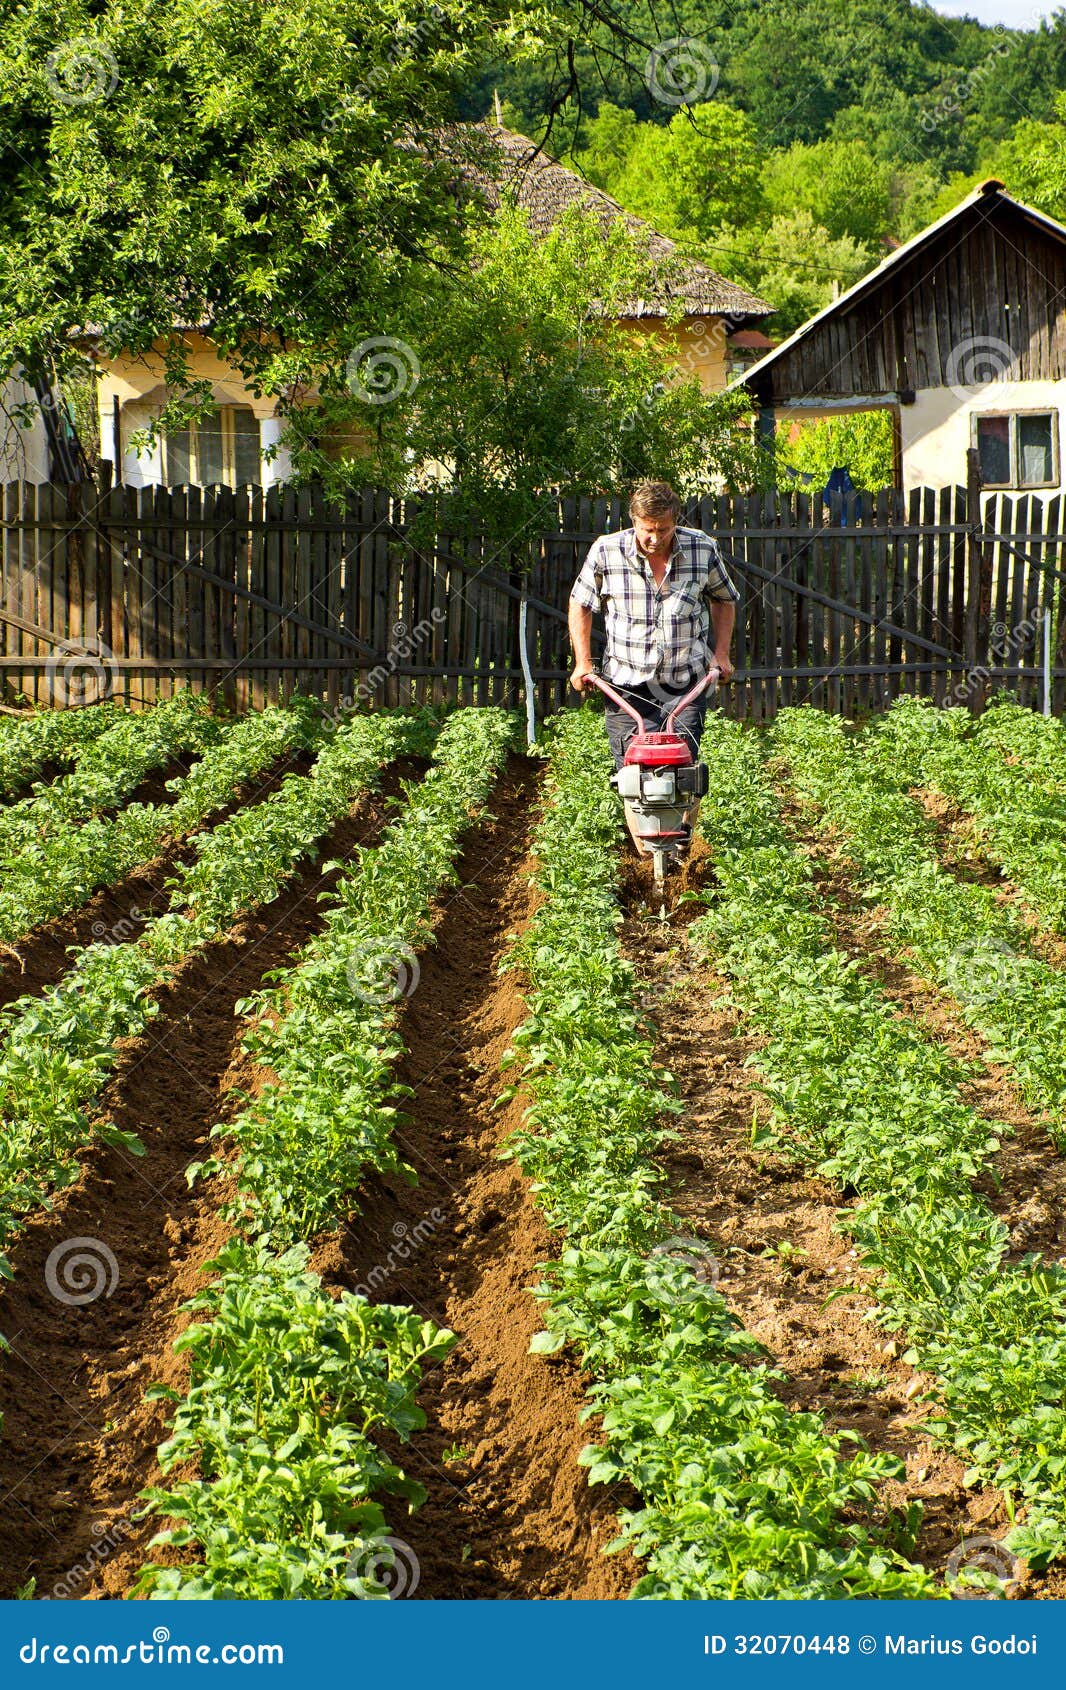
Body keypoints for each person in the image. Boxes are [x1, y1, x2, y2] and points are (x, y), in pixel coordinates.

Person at [568, 479, 739, 854]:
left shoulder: (701, 548)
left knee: (685, 769)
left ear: (674, 521)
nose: (654, 538)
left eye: (662, 529)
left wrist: (721, 654)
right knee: (631, 772)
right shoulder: (606, 551)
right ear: (634, 522)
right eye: (647, 529)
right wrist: (583, 662)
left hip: (685, 682)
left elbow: (724, 599)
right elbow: (581, 604)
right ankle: (645, 852)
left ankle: (680, 852)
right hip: (625, 684)